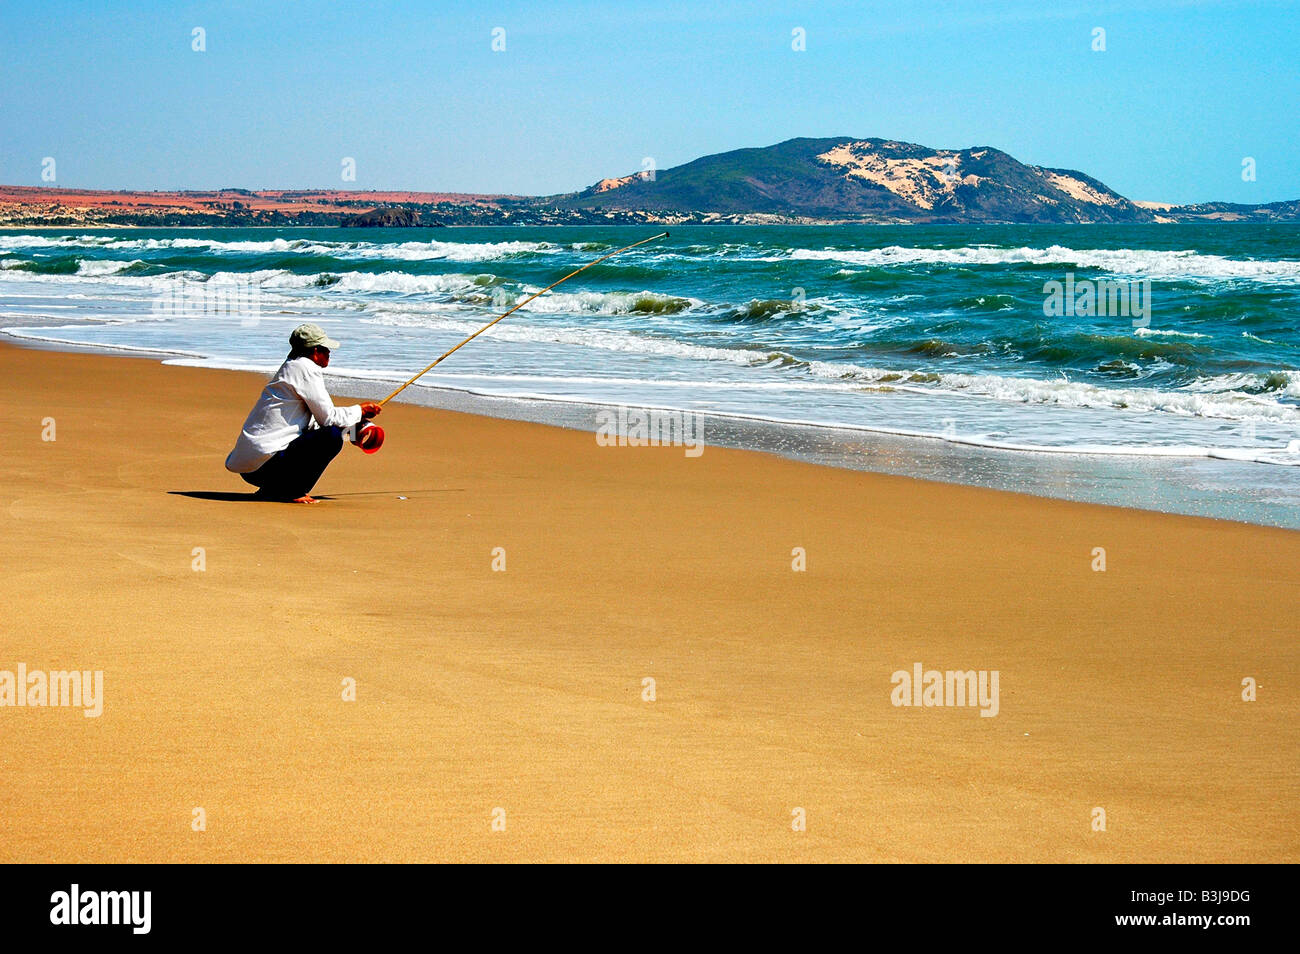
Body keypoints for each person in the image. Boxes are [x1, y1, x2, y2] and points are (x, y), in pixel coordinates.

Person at [225, 323, 381, 503]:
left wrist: (352, 429)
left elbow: (311, 423)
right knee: (330, 437)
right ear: (315, 351)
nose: (329, 353)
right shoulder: (305, 367)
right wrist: (359, 410)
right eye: (326, 349)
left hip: (252, 468)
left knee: (332, 433)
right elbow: (328, 419)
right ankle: (293, 491)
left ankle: (272, 489)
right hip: (263, 466)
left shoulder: (292, 366)